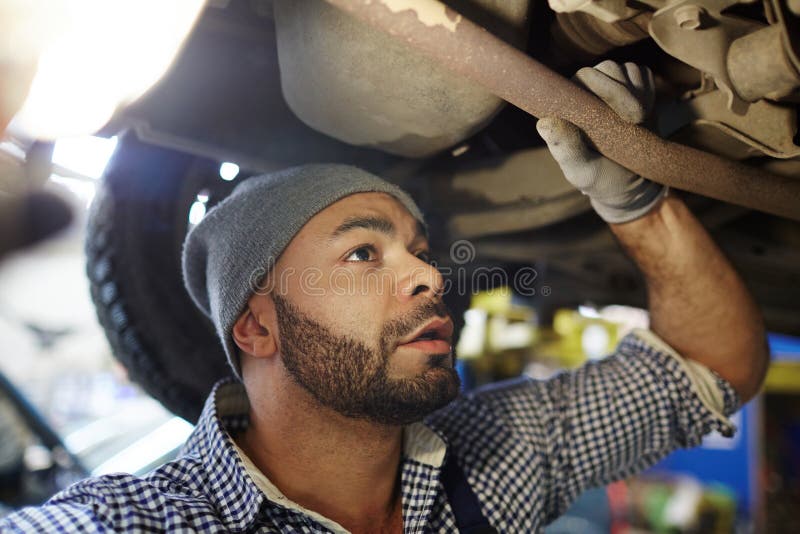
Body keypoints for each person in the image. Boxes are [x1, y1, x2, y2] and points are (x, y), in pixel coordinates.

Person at [0, 61, 767, 533]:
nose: (433, 280)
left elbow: (714, 363)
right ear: (258, 326)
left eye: (420, 251)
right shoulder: (145, 522)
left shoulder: (492, 463)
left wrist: (636, 204)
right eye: (363, 252)